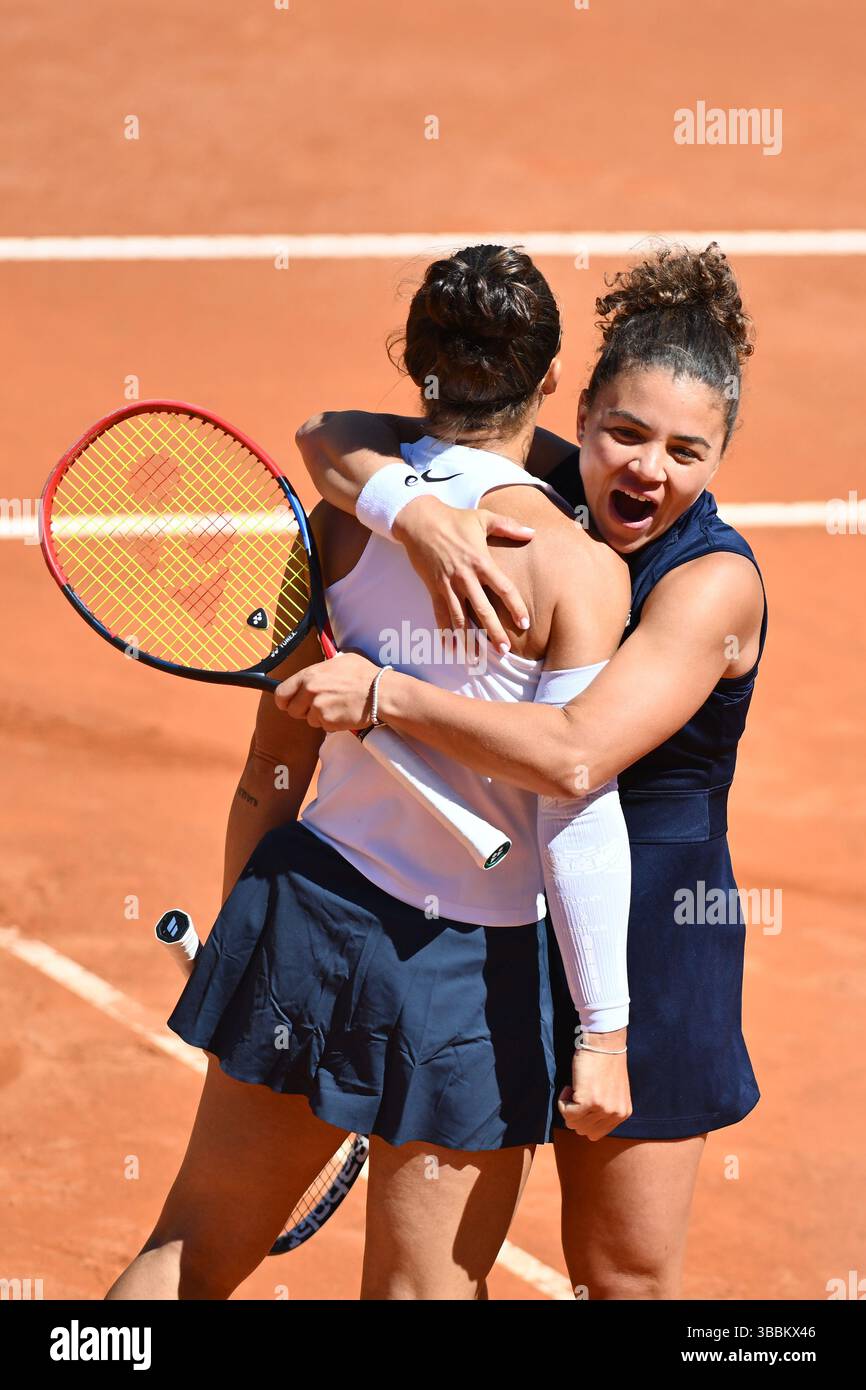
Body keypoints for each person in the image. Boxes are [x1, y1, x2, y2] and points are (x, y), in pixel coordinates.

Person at [105, 244, 632, 1302]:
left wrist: (244, 936)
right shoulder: (579, 570)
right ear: (550, 381)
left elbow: (271, 768)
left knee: (186, 1251)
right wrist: (604, 1032)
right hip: (463, 977)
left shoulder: (343, 514)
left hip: (301, 911)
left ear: (416, 369)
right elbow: (573, 815)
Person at [286, 240, 767, 1300]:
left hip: (645, 939)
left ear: (722, 453)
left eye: (686, 450)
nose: (645, 468)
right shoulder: (552, 486)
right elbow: (326, 436)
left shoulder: (711, 587)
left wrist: (388, 695)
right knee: (445, 1268)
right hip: (506, 926)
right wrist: (411, 512)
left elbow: (575, 754)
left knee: (619, 1273)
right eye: (624, 433)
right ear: (577, 412)